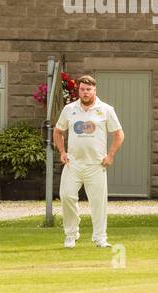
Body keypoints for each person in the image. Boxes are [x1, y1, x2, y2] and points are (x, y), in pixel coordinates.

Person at [53, 74, 124, 249]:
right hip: (73, 163)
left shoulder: (106, 109)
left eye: (89, 90)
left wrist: (110, 155)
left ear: (94, 90)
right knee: (67, 196)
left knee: (98, 203)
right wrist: (62, 152)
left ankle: (100, 237)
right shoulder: (69, 109)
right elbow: (57, 131)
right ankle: (71, 234)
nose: (85, 93)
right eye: (82, 89)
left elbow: (118, 134)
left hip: (96, 164)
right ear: (78, 90)